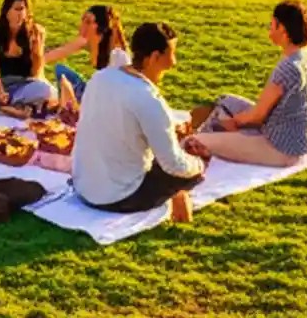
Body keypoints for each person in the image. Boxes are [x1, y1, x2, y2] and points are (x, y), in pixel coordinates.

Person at [71, 22, 208, 222]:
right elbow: (173, 164)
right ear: (154, 57)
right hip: (119, 197)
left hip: (83, 187)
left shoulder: (100, 78)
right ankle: (180, 200)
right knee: (190, 170)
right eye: (171, 54)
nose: (174, 62)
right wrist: (199, 164)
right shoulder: (147, 98)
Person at [186, 0, 307, 167]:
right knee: (225, 101)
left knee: (193, 142)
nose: (269, 29)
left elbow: (258, 115)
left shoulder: (288, 67)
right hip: (299, 142)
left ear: (281, 28)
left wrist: (237, 121)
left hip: (281, 149)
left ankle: (194, 140)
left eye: (271, 24)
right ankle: (200, 131)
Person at [44, 5, 129, 106]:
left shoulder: (117, 56)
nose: (82, 25)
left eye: (88, 22)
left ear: (101, 29)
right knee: (61, 70)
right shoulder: (93, 45)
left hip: (104, 103)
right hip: (96, 96)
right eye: (83, 20)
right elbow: (57, 53)